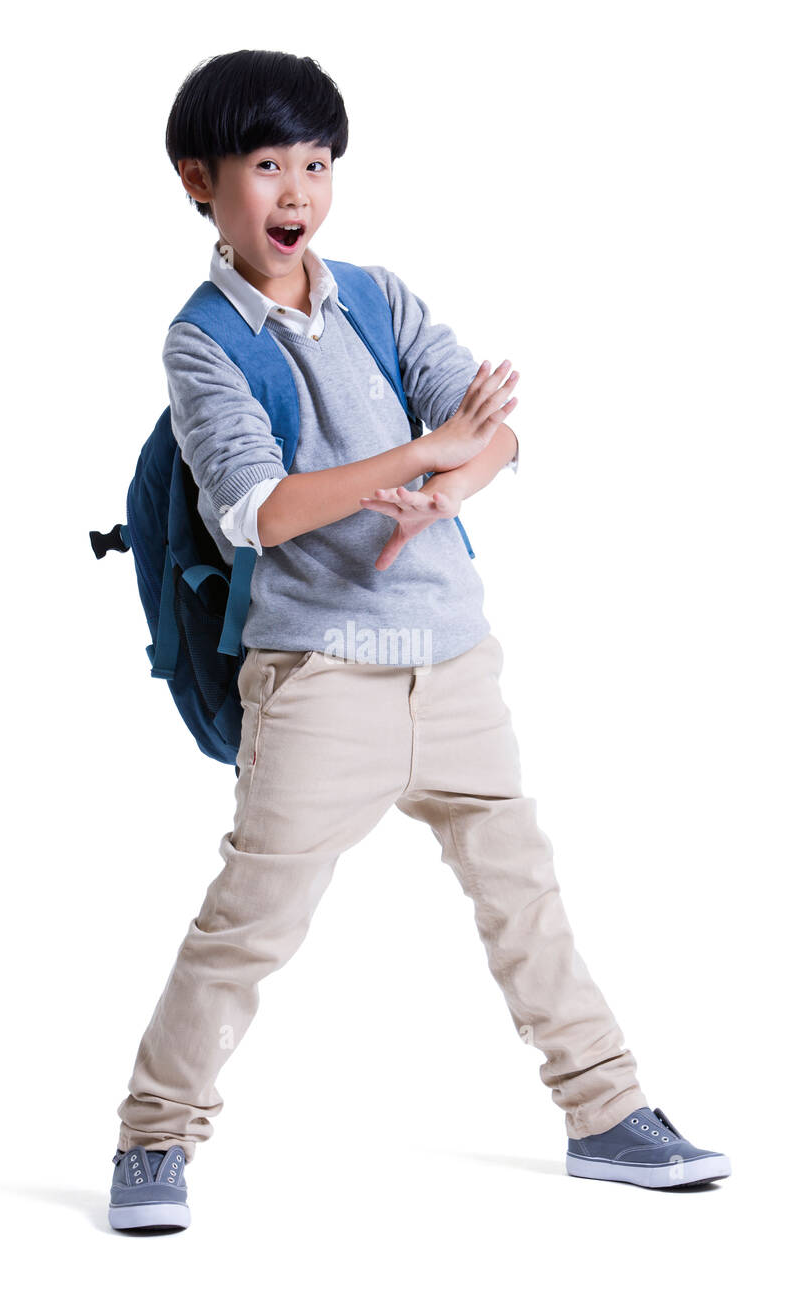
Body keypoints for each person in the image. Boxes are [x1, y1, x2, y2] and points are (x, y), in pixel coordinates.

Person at [108, 49, 730, 1233]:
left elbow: (493, 434)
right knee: (248, 925)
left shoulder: (380, 297)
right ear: (199, 178)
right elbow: (260, 508)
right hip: (318, 678)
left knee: (523, 897)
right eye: (266, 165)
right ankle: (152, 1138)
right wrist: (415, 455)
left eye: (317, 163)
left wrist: (449, 486)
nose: (296, 190)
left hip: (450, 659)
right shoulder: (202, 343)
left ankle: (605, 1113)